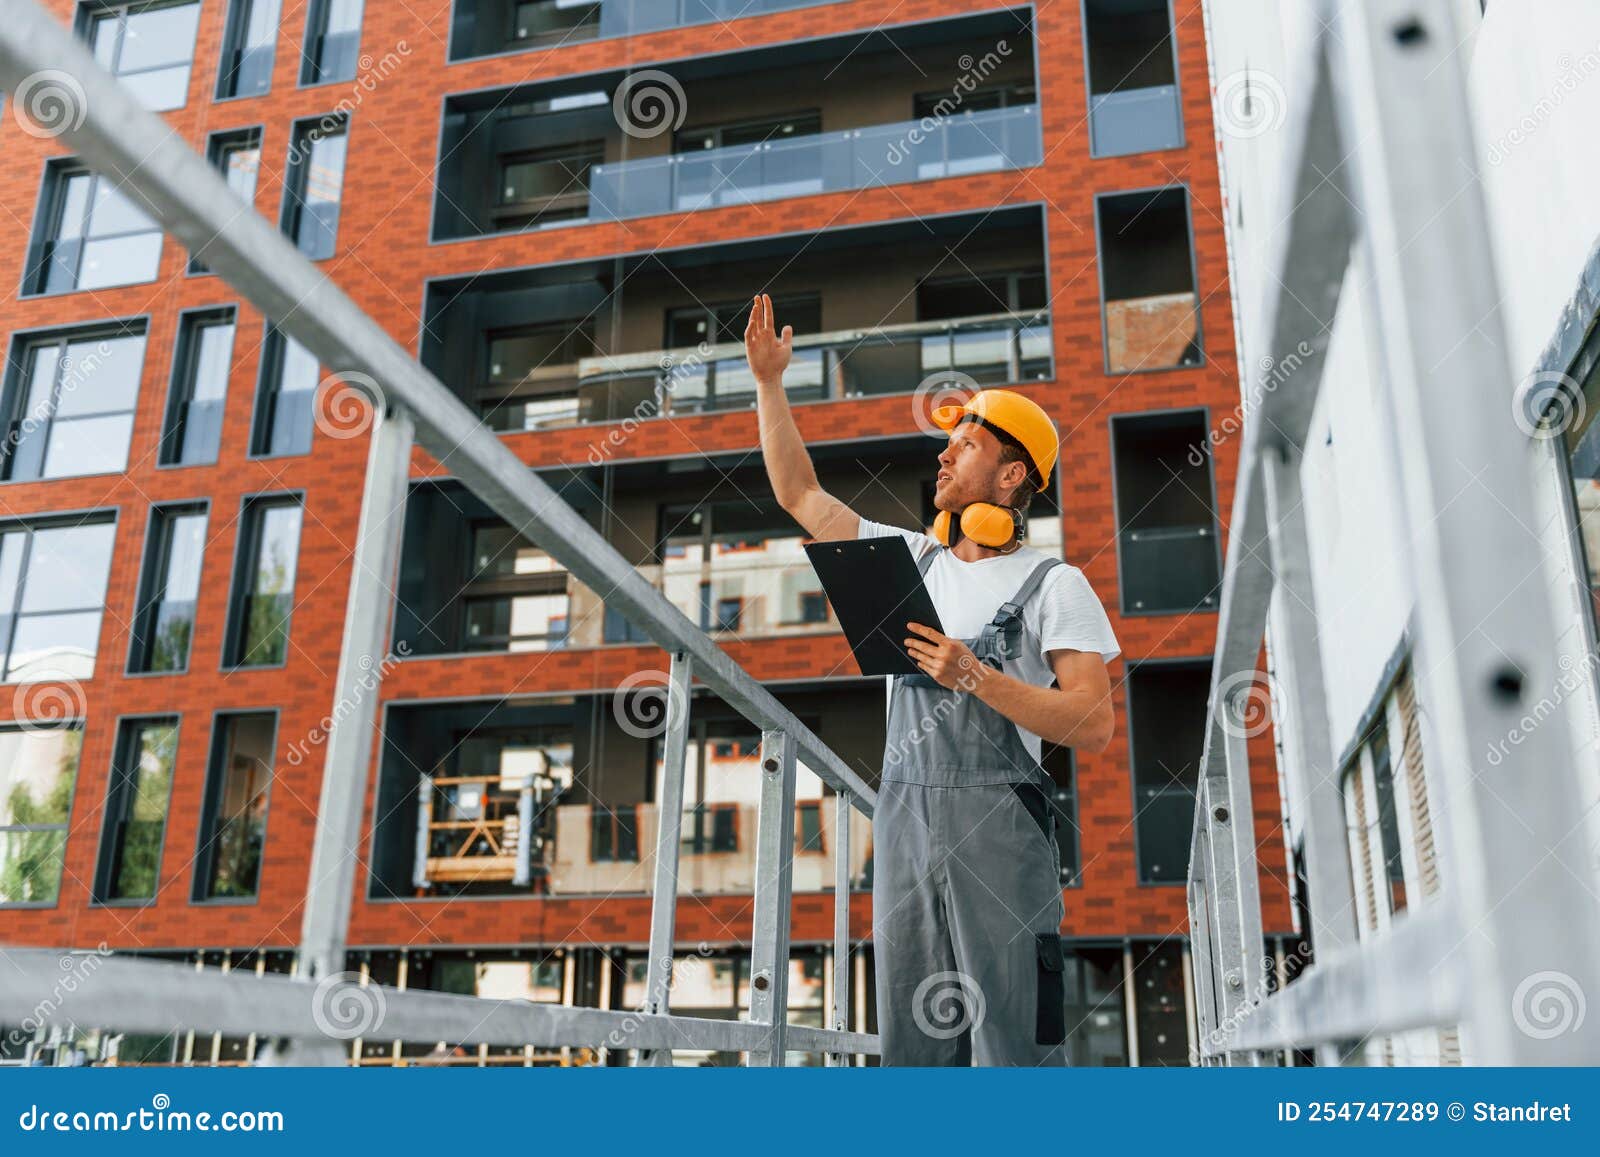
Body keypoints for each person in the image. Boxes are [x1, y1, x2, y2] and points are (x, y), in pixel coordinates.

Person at [745, 293, 1119, 1065]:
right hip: (905, 820)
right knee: (916, 1046)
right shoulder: (907, 560)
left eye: (967, 445)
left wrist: (977, 677)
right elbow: (799, 495)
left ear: (1012, 475)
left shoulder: (1057, 584)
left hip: (1003, 829)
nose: (944, 456)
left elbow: (1093, 722)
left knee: (1015, 1041)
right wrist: (768, 385)